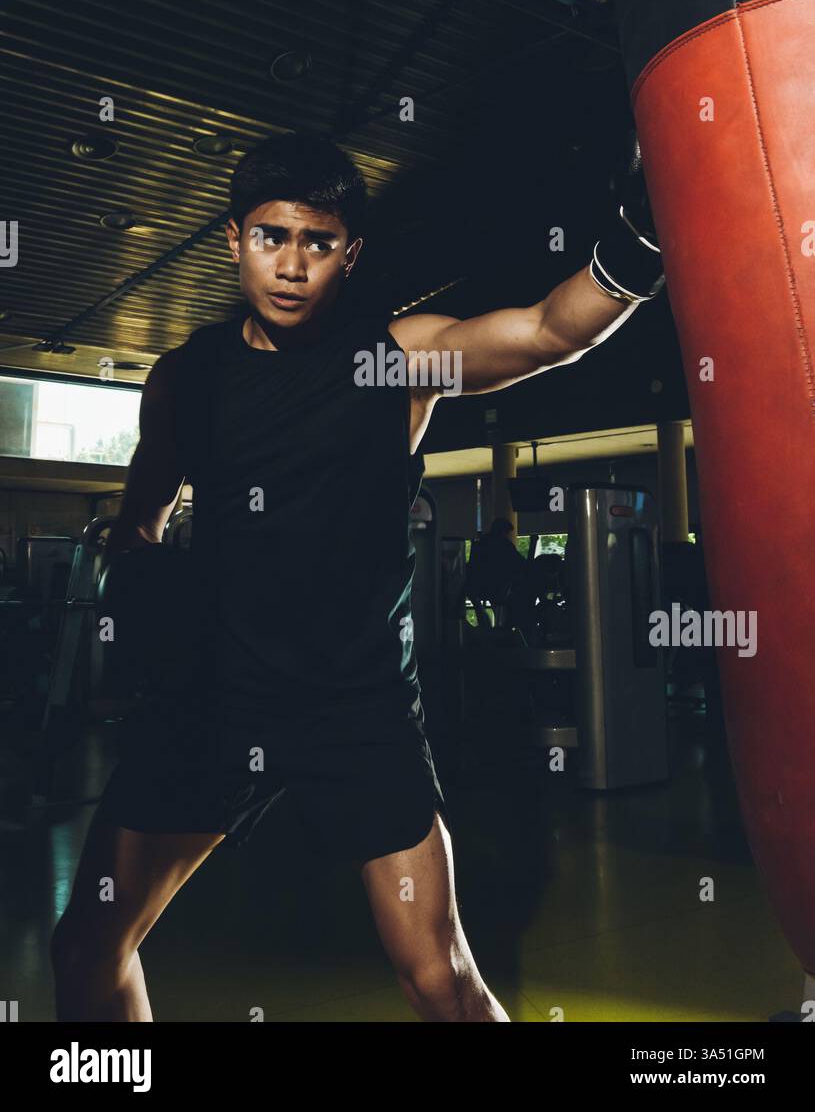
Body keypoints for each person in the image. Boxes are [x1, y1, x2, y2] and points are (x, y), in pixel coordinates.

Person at [50, 130, 663, 1023]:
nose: (292, 266)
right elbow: (139, 521)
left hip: (358, 708)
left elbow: (545, 333)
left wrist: (639, 237)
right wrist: (146, 587)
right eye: (272, 237)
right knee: (86, 945)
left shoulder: (397, 359)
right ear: (234, 239)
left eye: (318, 242)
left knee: (441, 976)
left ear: (350, 253)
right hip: (214, 702)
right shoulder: (186, 378)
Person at [464, 518, 526, 631]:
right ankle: (503, 629)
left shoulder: (480, 542)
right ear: (502, 531)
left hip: (477, 585)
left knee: (482, 607)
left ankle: (491, 626)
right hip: (497, 586)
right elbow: (520, 563)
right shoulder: (505, 545)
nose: (507, 535)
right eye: (506, 532)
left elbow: (472, 564)